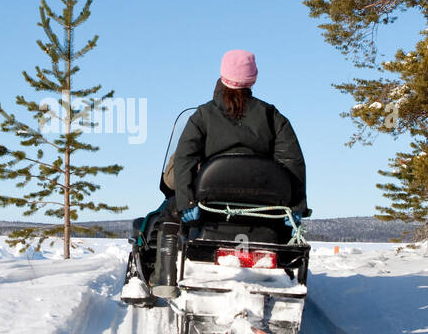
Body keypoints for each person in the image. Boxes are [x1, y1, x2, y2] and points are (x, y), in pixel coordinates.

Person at [121, 49, 307, 302]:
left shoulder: (203, 115)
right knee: (288, 237)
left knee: (168, 215)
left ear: (222, 76)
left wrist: (186, 201)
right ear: (253, 79)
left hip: (209, 207)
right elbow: (292, 162)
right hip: (265, 209)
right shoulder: (273, 117)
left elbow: (185, 159)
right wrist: (296, 205)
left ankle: (164, 278)